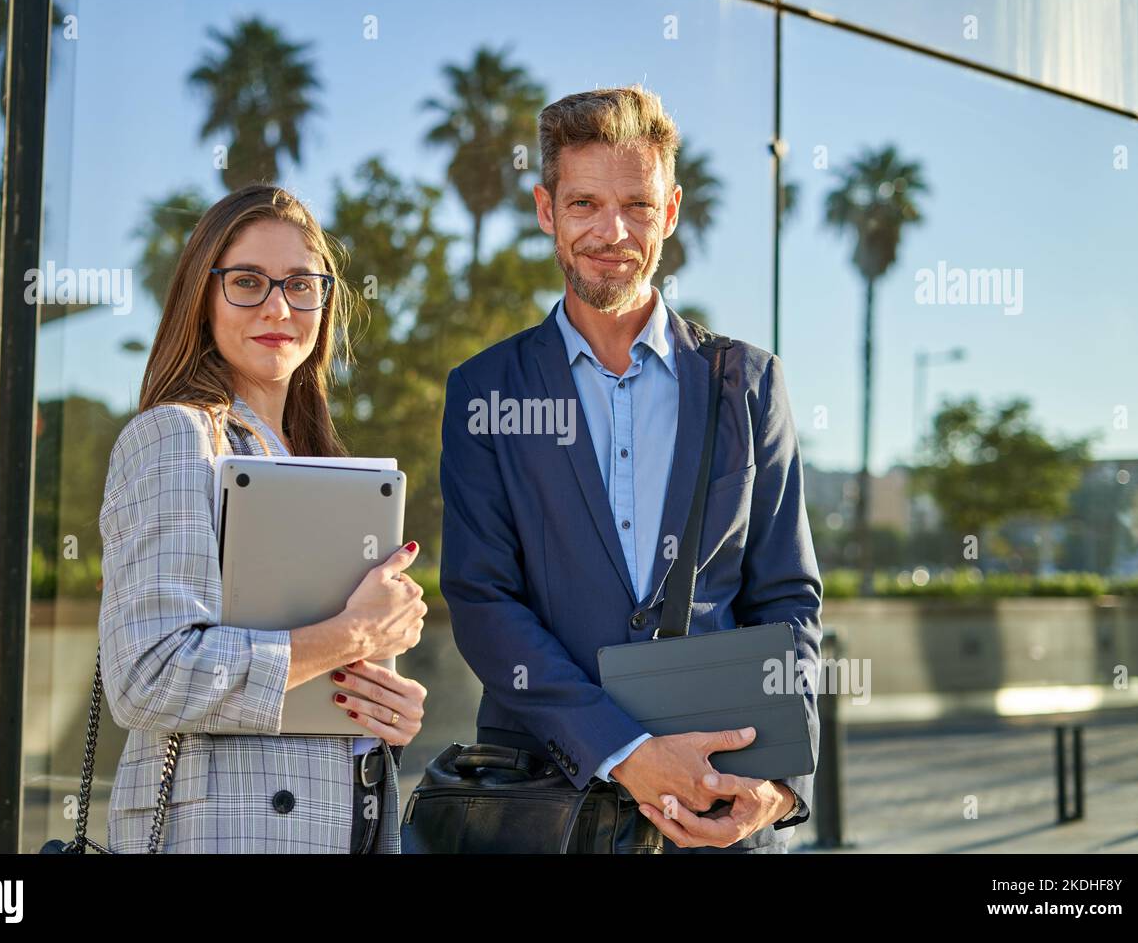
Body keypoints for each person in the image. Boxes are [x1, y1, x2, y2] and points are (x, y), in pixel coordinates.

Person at [439, 86, 823, 853]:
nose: (612, 232)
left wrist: (778, 789)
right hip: (543, 808)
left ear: (671, 211)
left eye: (637, 206)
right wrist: (624, 750)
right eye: (584, 203)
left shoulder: (748, 383)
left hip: (721, 812)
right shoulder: (485, 390)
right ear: (547, 211)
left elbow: (787, 598)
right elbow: (483, 598)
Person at [99, 185, 427, 853]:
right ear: (202, 296)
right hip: (221, 830)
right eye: (247, 281)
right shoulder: (178, 435)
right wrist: (352, 634)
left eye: (302, 284)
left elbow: (319, 676)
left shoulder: (321, 465)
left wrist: (385, 710)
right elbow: (147, 676)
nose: (279, 306)